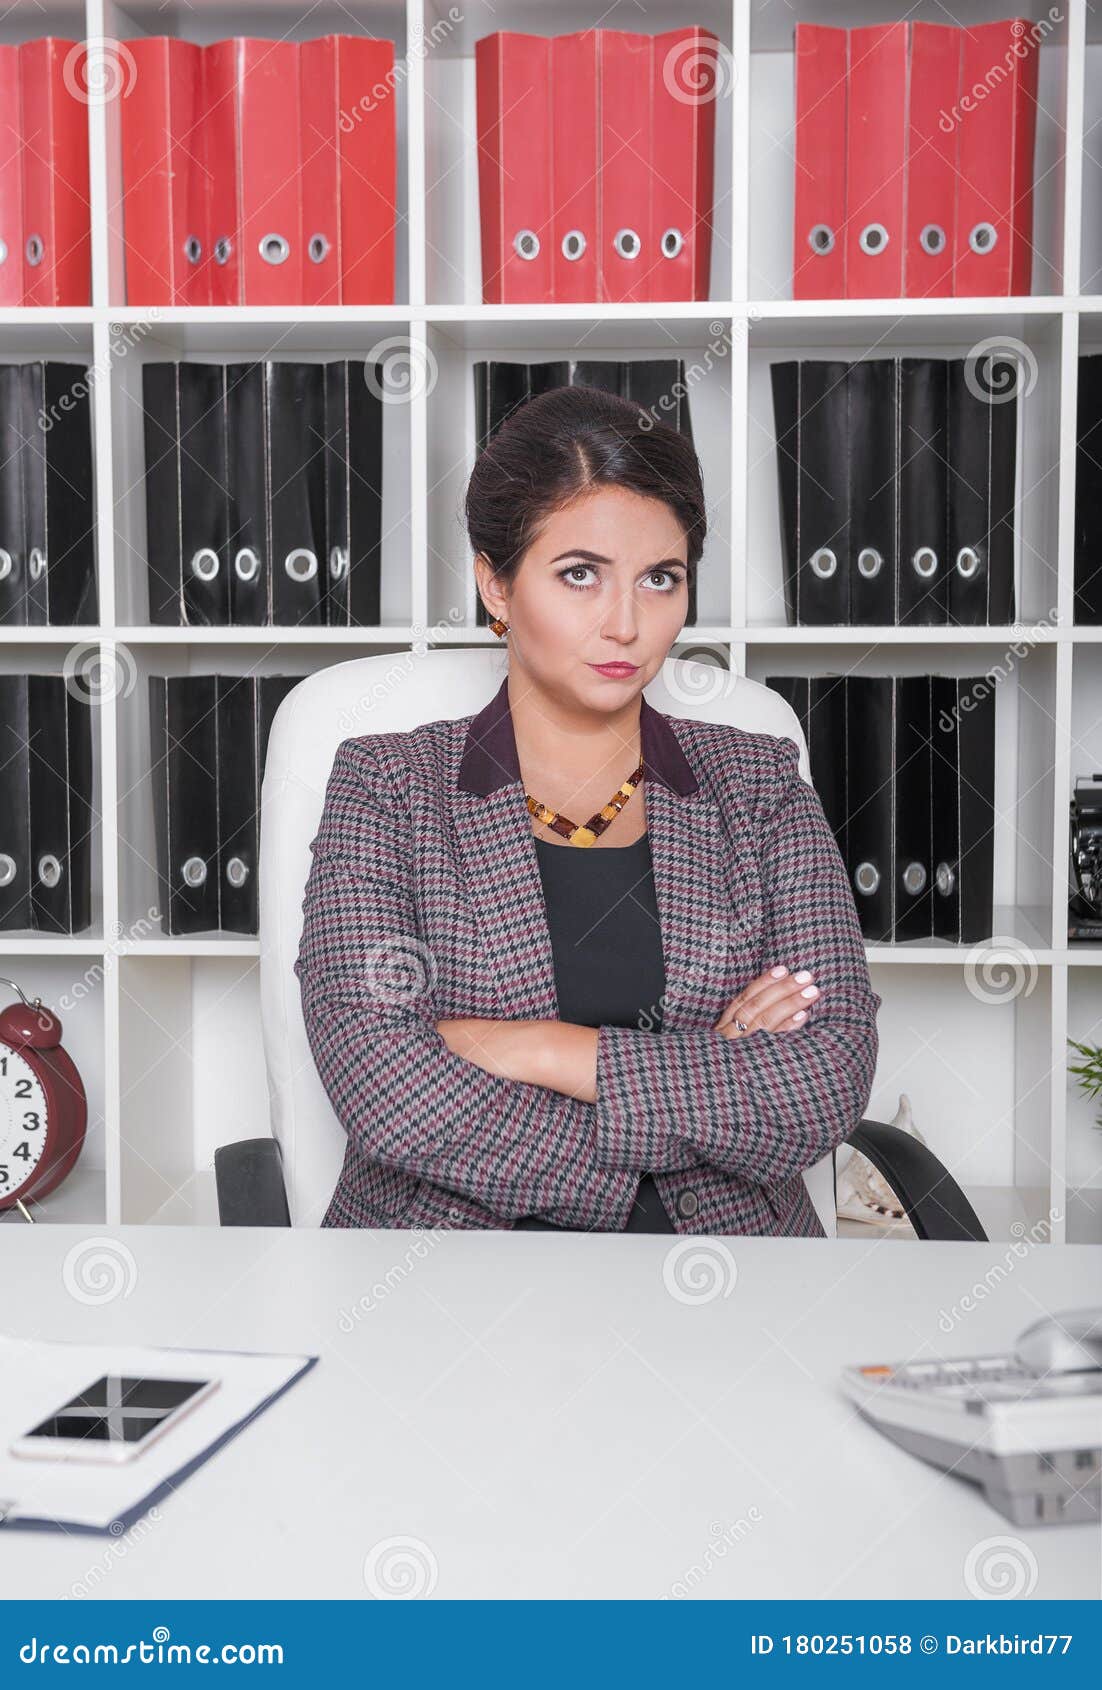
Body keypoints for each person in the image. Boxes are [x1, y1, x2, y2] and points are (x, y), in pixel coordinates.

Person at [294, 384, 882, 1234]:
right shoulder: (387, 786)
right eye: (580, 576)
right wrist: (705, 1085)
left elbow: (826, 1083)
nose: (626, 625)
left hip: (733, 1282)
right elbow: (391, 1098)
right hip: (450, 1286)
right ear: (495, 585)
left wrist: (541, 1047)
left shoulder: (759, 784)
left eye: (660, 580)